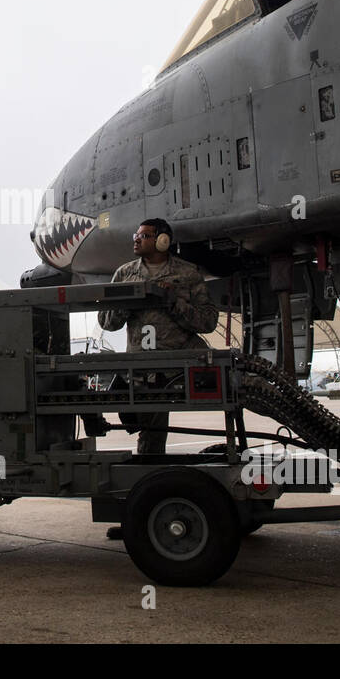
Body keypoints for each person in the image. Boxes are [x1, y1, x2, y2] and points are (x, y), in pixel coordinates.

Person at [98, 218, 218, 538]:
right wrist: (128, 301)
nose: (136, 239)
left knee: (155, 437)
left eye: (145, 235)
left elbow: (207, 322)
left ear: (163, 240)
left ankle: (148, 512)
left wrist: (173, 302)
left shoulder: (187, 274)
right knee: (149, 439)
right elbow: (107, 322)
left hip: (178, 367)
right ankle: (141, 514)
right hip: (142, 370)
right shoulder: (125, 274)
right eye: (136, 234)